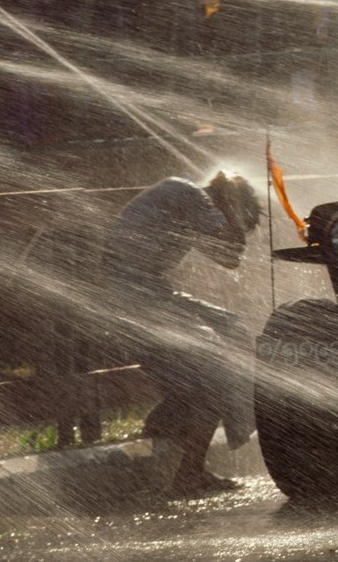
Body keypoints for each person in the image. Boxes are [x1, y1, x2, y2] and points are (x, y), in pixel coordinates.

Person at [99, 172, 261, 496]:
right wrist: (230, 203)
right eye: (233, 211)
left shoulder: (192, 205)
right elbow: (233, 253)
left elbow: (229, 257)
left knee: (233, 330)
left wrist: (230, 207)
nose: (230, 220)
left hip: (152, 293)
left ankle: (172, 438)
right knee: (213, 374)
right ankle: (186, 473)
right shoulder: (186, 192)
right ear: (225, 200)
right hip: (134, 296)